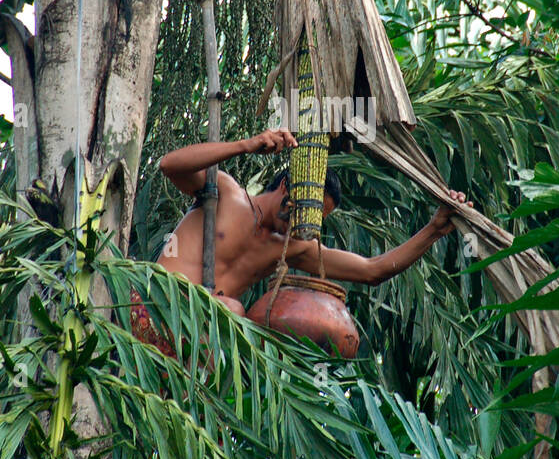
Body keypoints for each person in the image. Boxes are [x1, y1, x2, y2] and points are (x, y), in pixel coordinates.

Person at [132, 128, 470, 357]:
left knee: (238, 316)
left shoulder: (293, 247)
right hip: (152, 307)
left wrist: (434, 229)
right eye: (305, 209)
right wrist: (246, 145)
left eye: (315, 219)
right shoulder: (227, 195)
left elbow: (372, 271)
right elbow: (169, 165)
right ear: (285, 188)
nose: (302, 223)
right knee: (233, 309)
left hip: (192, 348)